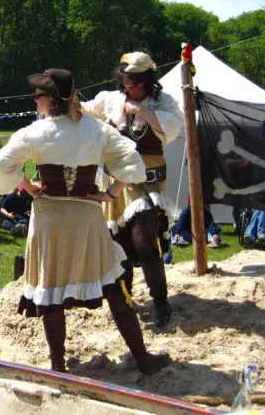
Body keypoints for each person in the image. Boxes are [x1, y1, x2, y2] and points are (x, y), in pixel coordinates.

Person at [0, 67, 170, 374]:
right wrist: (112, 192)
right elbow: (133, 162)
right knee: (114, 289)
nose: (35, 100)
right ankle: (143, 360)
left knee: (51, 292)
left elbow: (0, 165)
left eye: (38, 95)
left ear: (50, 99)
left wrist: (26, 184)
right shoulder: (95, 129)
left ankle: (58, 366)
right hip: (87, 220)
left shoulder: (35, 132)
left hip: (49, 222)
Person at [82, 52, 184, 328]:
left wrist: (142, 111)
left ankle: (161, 301)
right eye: (127, 81)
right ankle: (123, 302)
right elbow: (87, 109)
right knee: (120, 247)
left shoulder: (164, 102)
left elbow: (174, 126)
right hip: (116, 182)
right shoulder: (112, 99)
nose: (131, 88)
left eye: (136, 82)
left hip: (147, 182)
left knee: (145, 243)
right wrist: (66, 101)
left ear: (148, 81)